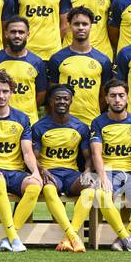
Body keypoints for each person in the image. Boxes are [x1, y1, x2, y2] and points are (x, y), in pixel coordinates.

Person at [0, 70, 42, 253]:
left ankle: (9, 237)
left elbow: (27, 152)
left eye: (5, 91)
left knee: (35, 185)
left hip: (16, 171)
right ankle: (15, 239)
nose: (1, 96)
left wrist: (35, 172)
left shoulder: (22, 118)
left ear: (12, 93)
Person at [86, 79, 131, 251]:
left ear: (127, 98)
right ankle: (127, 239)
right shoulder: (98, 122)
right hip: (109, 172)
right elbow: (96, 153)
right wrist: (102, 177)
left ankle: (123, 238)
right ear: (106, 99)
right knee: (101, 195)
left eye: (121, 95)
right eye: (113, 96)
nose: (117, 100)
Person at [30, 85, 95, 251]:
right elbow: (32, 157)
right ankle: (74, 237)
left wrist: (88, 171)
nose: (62, 101)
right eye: (57, 98)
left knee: (90, 188)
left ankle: (69, 237)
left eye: (65, 98)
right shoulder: (39, 127)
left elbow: (89, 157)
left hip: (71, 174)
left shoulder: (80, 127)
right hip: (50, 173)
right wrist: (42, 170)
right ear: (50, 101)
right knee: (49, 189)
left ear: (71, 101)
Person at [47, 6, 113, 126]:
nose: (81, 27)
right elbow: (52, 95)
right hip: (64, 123)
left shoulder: (103, 61)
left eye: (85, 24)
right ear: (69, 25)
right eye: (76, 24)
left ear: (91, 26)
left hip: (92, 122)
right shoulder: (57, 59)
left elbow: (104, 96)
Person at [0, 16, 47, 123]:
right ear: (6, 33)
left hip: (28, 121)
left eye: (21, 32)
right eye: (13, 32)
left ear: (27, 34)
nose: (17, 36)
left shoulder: (37, 62)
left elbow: (41, 94)